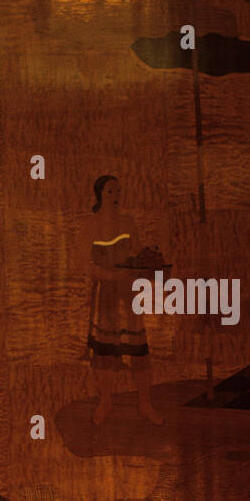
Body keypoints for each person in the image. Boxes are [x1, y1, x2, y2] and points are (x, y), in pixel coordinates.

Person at [84, 175, 163, 426]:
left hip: (128, 292)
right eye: (110, 191)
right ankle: (105, 401)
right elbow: (84, 263)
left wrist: (149, 260)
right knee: (107, 351)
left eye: (118, 191)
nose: (115, 196)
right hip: (106, 294)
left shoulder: (128, 222)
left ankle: (145, 402)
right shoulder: (91, 225)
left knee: (138, 350)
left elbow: (137, 253)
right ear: (100, 195)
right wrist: (110, 274)